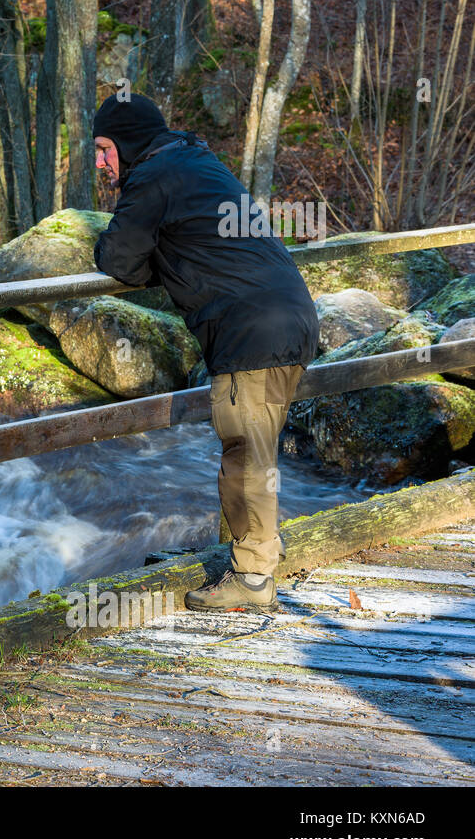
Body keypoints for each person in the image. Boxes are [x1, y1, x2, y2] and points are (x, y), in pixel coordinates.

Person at [90, 92, 319, 612]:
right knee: (256, 448)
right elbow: (175, 249)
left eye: (105, 149)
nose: (101, 162)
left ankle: (254, 578)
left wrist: (118, 248)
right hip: (291, 316)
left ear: (127, 144)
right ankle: (261, 554)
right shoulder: (194, 160)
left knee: (244, 455)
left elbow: (119, 258)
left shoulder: (151, 177)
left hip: (250, 332)